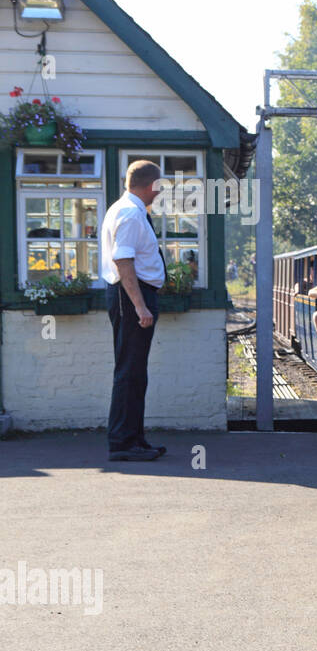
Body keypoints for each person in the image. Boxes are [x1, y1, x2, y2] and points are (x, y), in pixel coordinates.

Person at [100, 160, 167, 461]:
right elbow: (123, 261)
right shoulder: (129, 214)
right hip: (131, 297)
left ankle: (134, 440)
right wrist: (140, 306)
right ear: (151, 185)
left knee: (135, 372)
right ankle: (123, 444)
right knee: (129, 371)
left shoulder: (129, 210)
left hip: (133, 295)